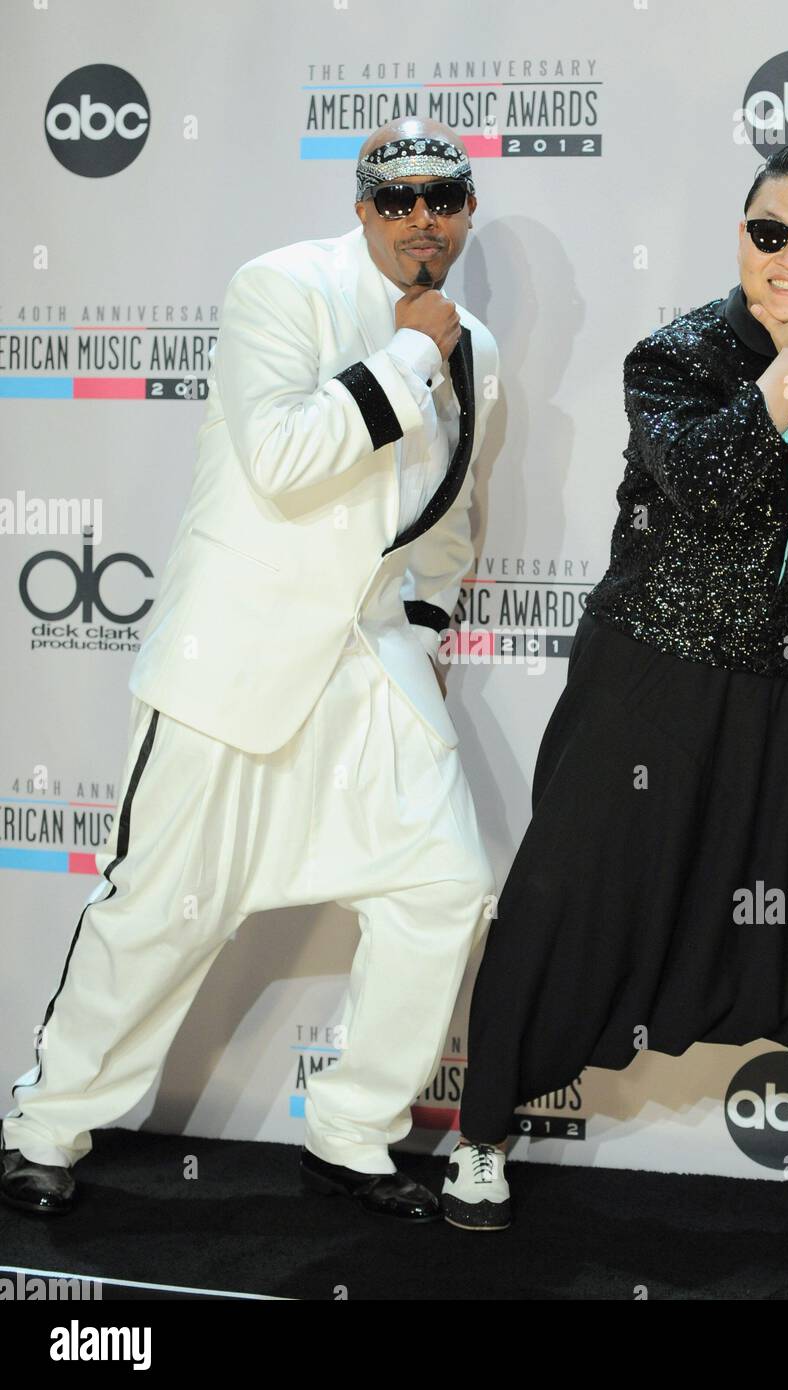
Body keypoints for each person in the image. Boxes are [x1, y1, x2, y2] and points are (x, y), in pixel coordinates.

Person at [441, 140, 788, 1258]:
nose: (786, 257)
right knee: (568, 899)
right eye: (765, 233)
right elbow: (715, 483)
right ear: (742, 237)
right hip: (655, 680)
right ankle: (481, 1132)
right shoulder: (676, 354)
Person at [1, 116, 500, 1223]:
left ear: (467, 210)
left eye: (445, 198)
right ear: (362, 206)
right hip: (235, 652)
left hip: (369, 661)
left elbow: (449, 514)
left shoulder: (478, 345)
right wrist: (411, 351)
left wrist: (416, 631)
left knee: (444, 889)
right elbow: (279, 459)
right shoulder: (281, 289)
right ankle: (42, 1127)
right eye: (398, 198)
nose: (423, 219)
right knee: (161, 913)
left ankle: (354, 1132)